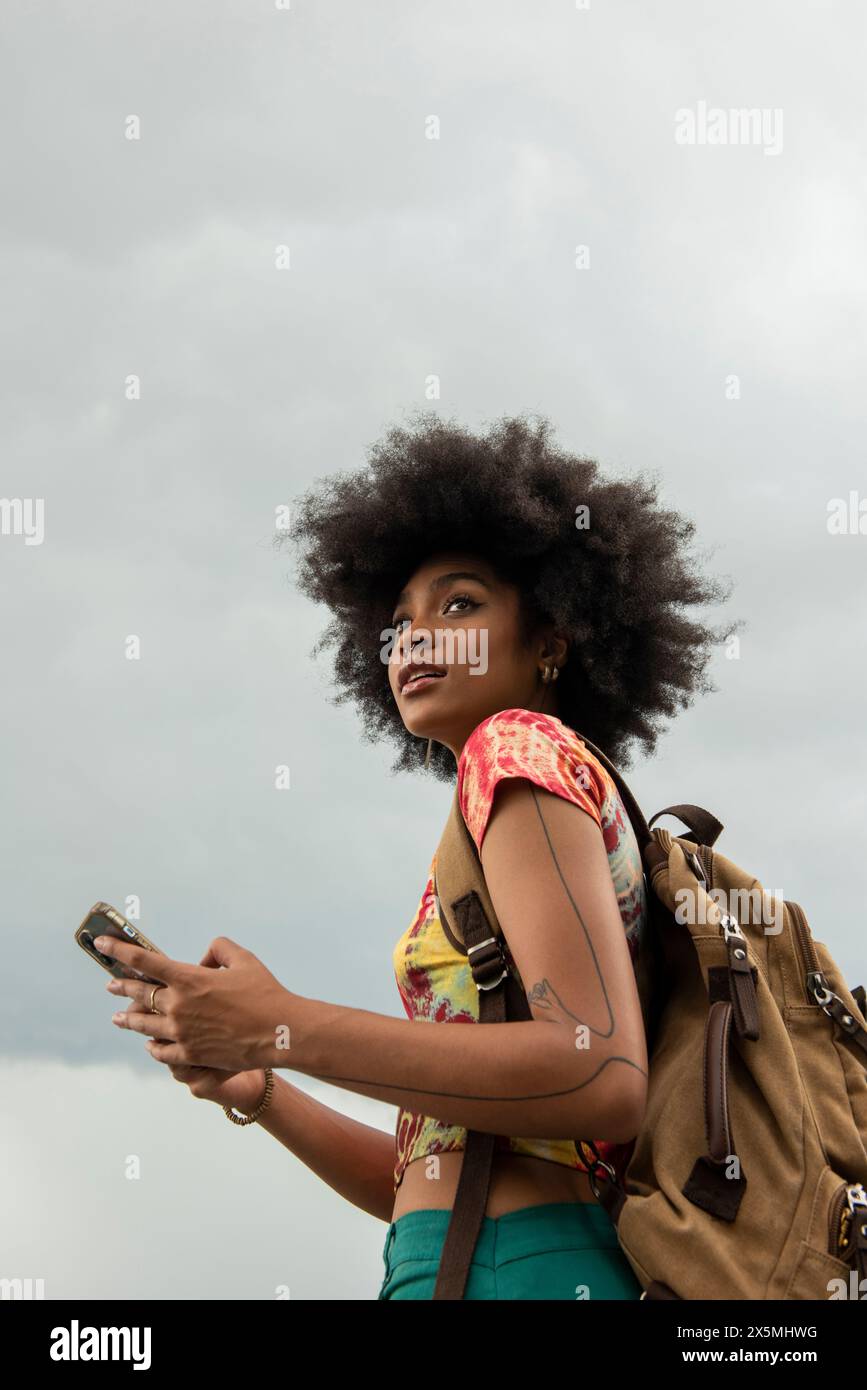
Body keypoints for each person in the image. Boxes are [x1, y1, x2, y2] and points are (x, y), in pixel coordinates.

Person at [100, 413, 734, 1299]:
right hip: (474, 1260)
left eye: (460, 604)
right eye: (398, 622)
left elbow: (598, 1070)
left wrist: (276, 1020)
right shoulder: (515, 797)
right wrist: (264, 1087)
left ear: (550, 640)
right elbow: (428, 1187)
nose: (415, 638)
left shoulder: (513, 751)